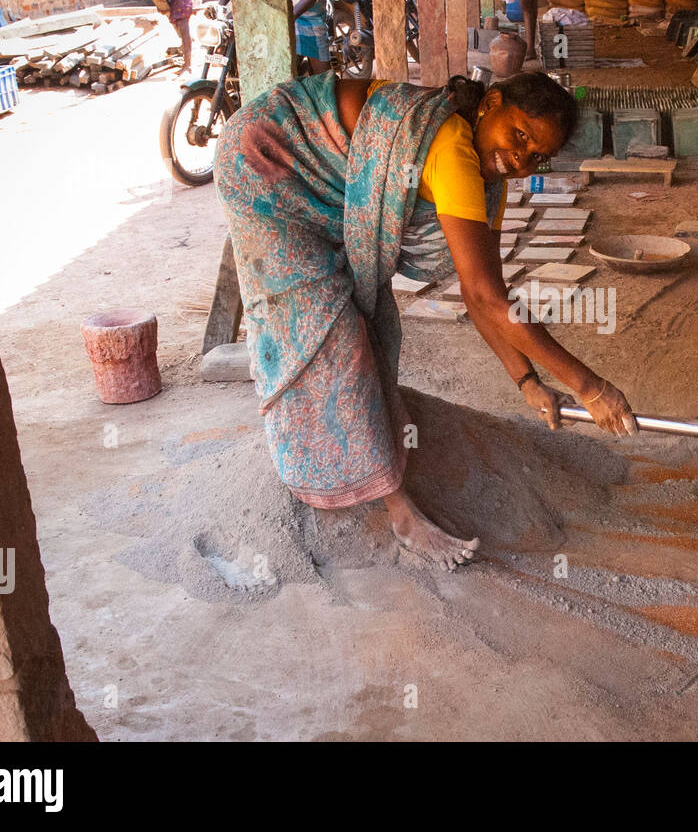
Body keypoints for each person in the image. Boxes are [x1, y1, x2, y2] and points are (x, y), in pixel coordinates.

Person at [214, 71, 637, 572]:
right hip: (265, 157)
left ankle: (365, 438)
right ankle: (397, 511)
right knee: (328, 331)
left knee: (349, 322)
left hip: (319, 186)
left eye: (537, 156)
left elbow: (484, 295)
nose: (520, 159)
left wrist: (528, 381)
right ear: (491, 104)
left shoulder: (487, 180)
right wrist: (590, 386)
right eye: (519, 135)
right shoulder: (451, 147)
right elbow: (485, 297)